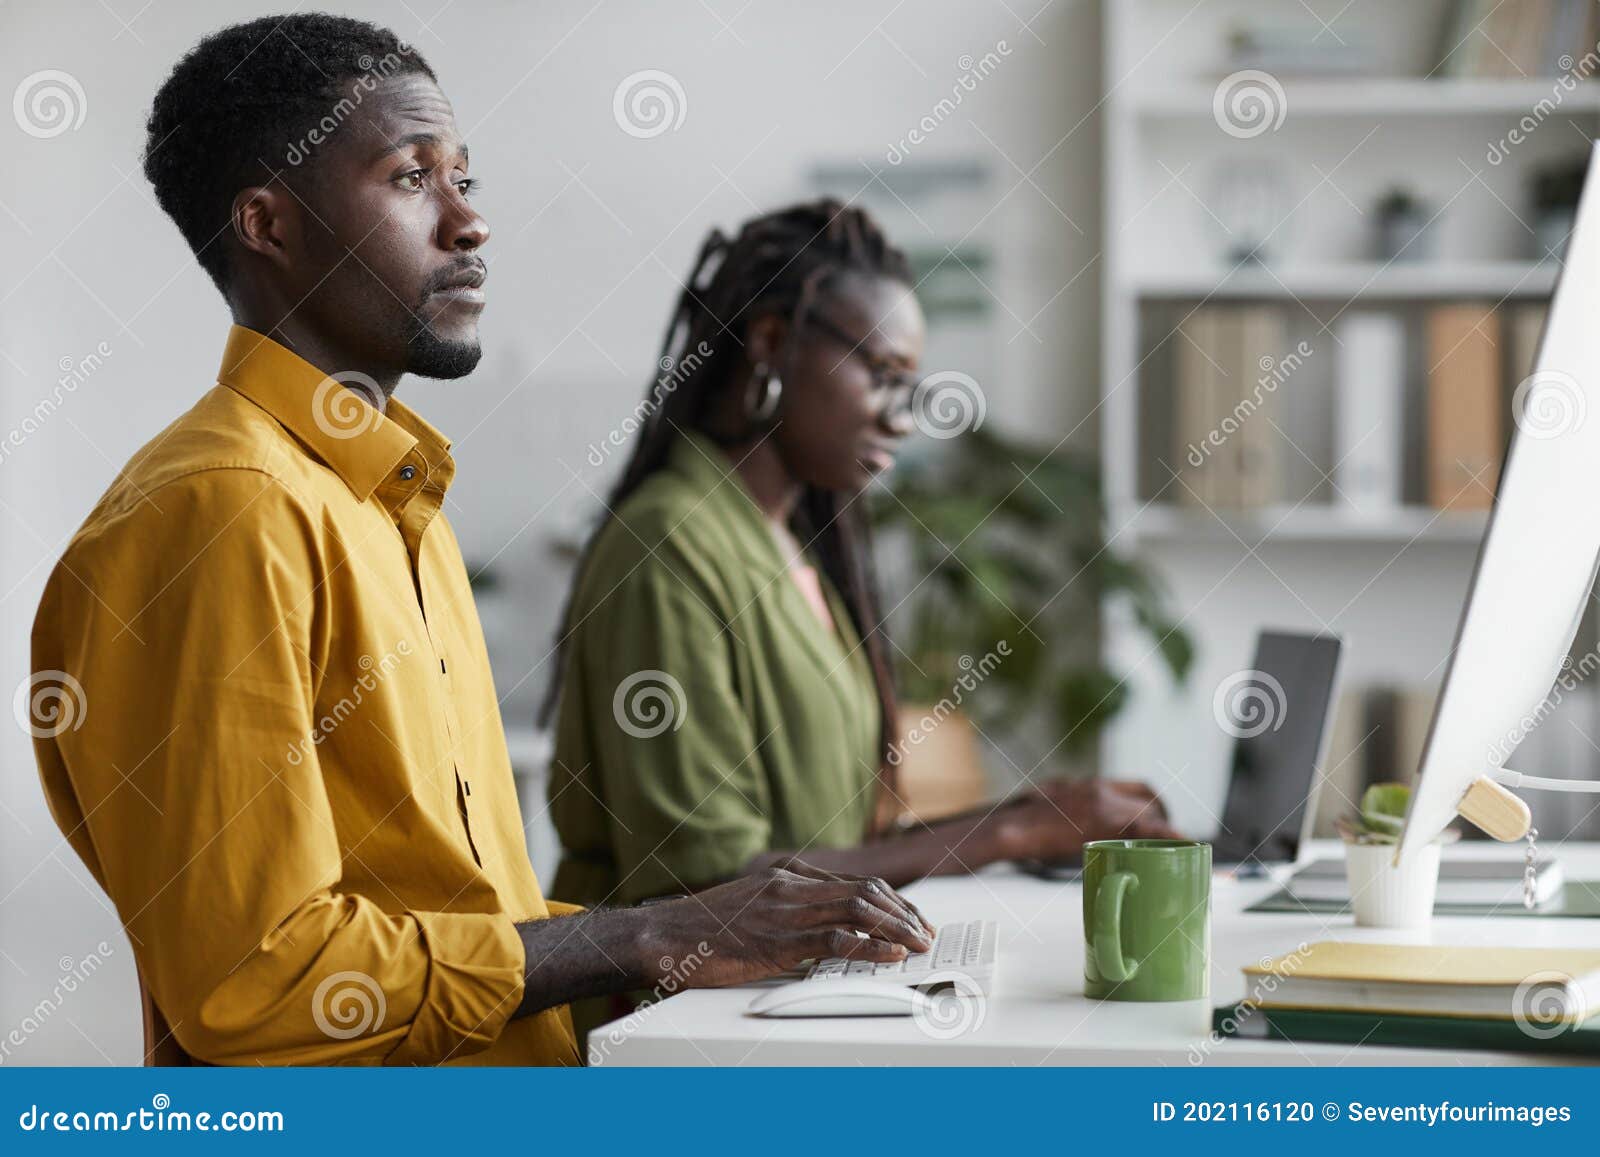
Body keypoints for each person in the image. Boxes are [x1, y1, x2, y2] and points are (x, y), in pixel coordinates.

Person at [27, 15, 932, 1068]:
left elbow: (464, 912)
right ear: (268, 224)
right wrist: (642, 932)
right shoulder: (220, 512)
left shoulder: (396, 503)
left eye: (465, 178)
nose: (470, 222)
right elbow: (256, 980)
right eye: (413, 177)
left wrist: (701, 929)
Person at [545, 201, 1181, 910]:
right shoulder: (670, 547)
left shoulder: (784, 544)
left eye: (908, 388)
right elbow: (706, 886)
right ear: (771, 340)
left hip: (792, 972)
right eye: (881, 373)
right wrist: (1011, 832)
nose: (901, 418)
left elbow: (831, 843)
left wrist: (1036, 816)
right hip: (662, 984)